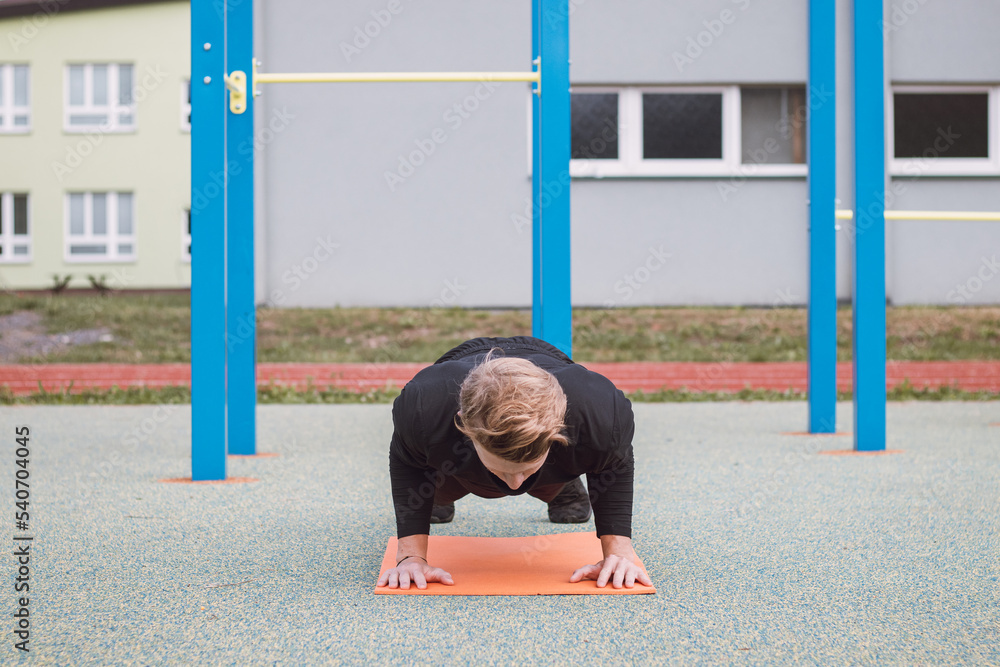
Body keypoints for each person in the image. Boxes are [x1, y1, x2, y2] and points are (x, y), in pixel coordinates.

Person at [377, 336, 651, 591]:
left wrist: (619, 554)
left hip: (557, 437)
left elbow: (613, 464)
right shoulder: (423, 409)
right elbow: (408, 463)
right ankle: (455, 485)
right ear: (464, 424)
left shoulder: (601, 413)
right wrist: (411, 558)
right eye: (501, 469)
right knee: (437, 495)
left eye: (527, 470)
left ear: (559, 426)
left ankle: (559, 484)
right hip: (456, 452)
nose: (516, 486)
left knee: (536, 470)